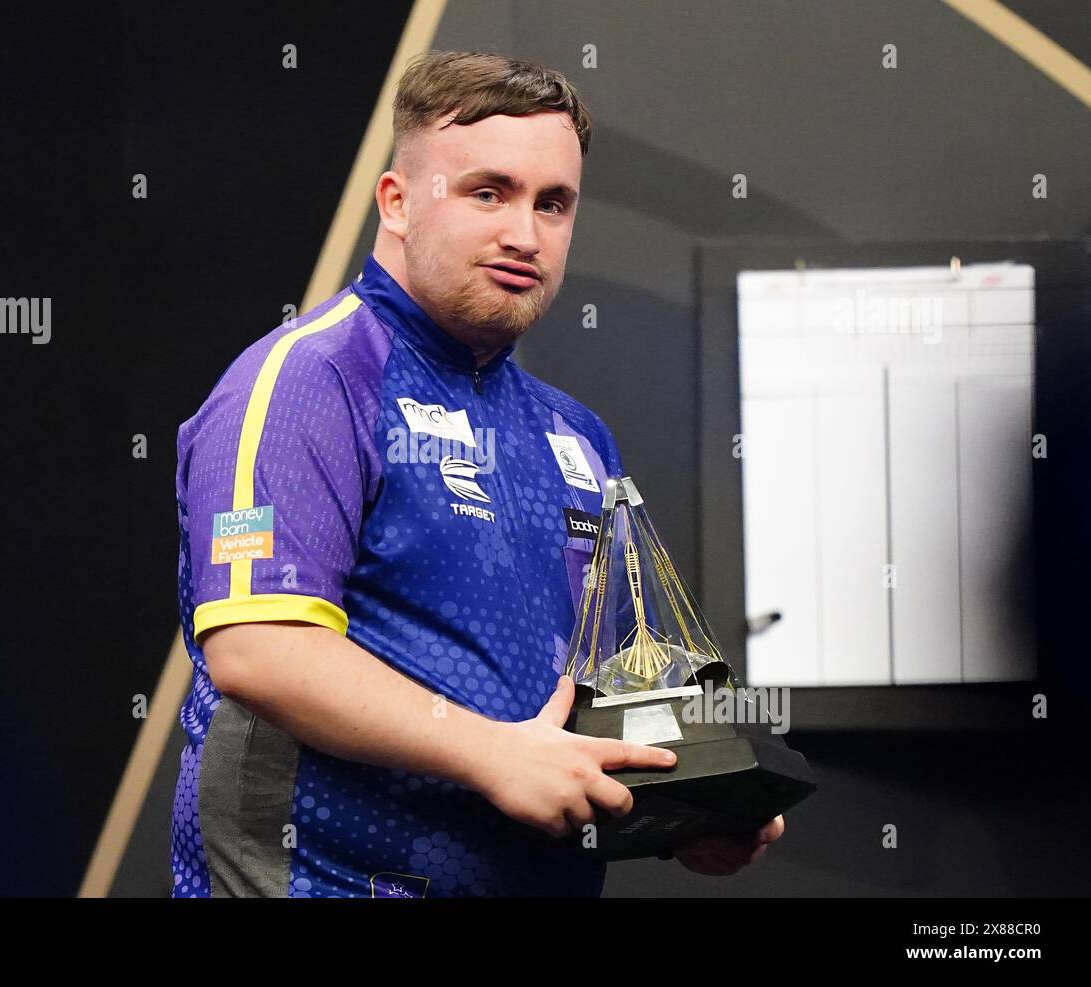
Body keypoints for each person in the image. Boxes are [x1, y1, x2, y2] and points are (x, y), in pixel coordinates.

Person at [170, 50, 783, 898]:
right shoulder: (308, 381)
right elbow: (259, 648)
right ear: (396, 202)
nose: (524, 234)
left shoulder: (580, 435)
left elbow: (599, 698)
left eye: (553, 203)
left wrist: (685, 806)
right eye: (487, 192)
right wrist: (491, 751)